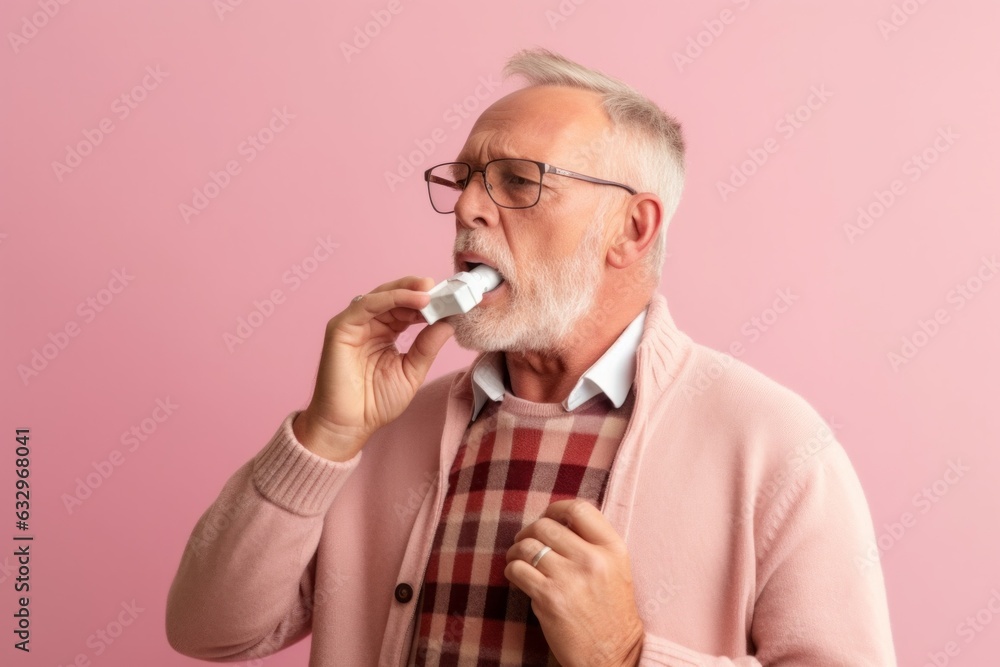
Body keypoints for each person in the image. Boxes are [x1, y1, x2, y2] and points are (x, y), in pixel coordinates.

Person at [166, 48, 897, 666]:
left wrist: (630, 652)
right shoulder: (386, 426)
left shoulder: (776, 446)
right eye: (464, 179)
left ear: (631, 229)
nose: (467, 209)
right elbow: (208, 629)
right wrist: (324, 436)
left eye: (517, 180)